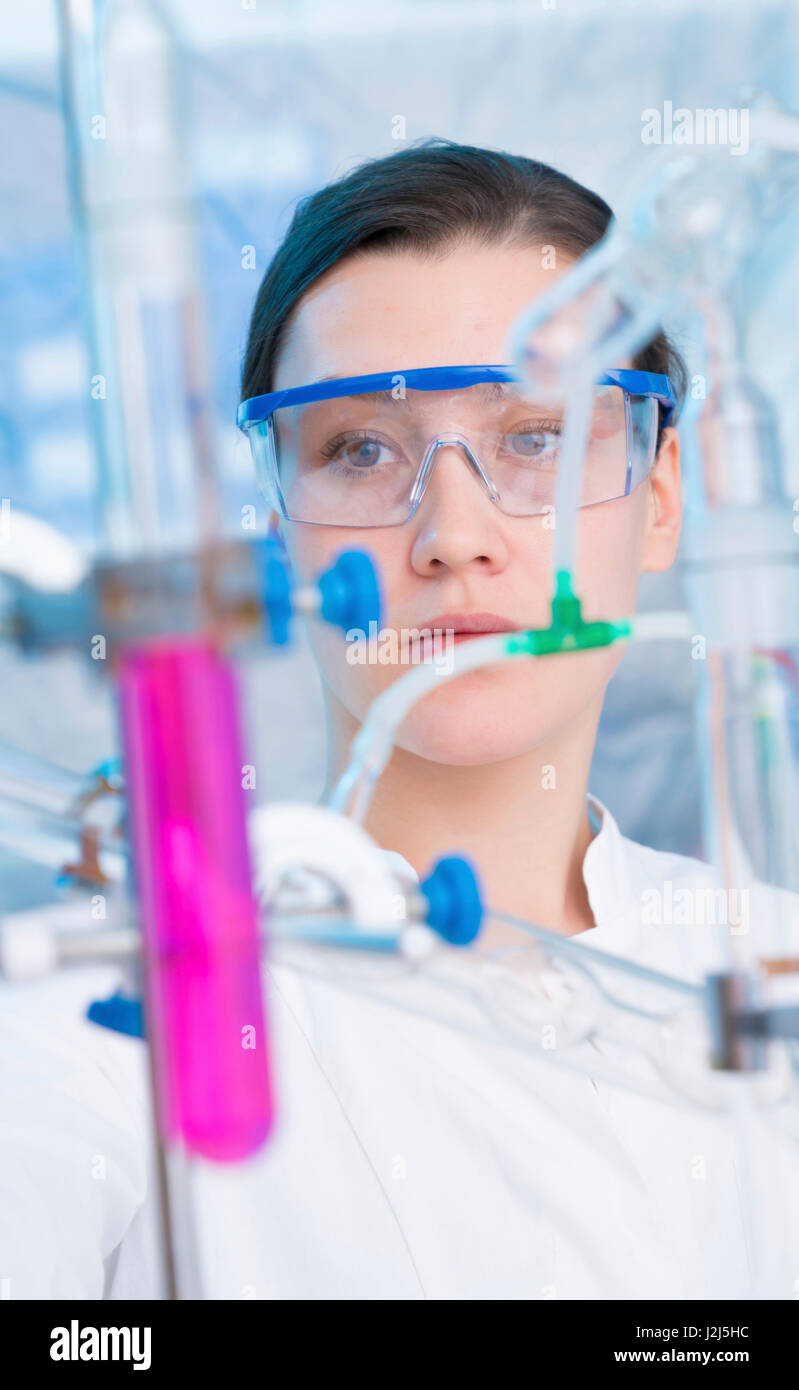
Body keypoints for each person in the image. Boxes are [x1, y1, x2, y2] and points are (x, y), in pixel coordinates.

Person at [2, 140, 797, 1301]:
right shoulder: (100, 1022)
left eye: (537, 436)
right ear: (278, 528)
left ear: (662, 502)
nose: (453, 533)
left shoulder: (762, 967)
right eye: (362, 450)